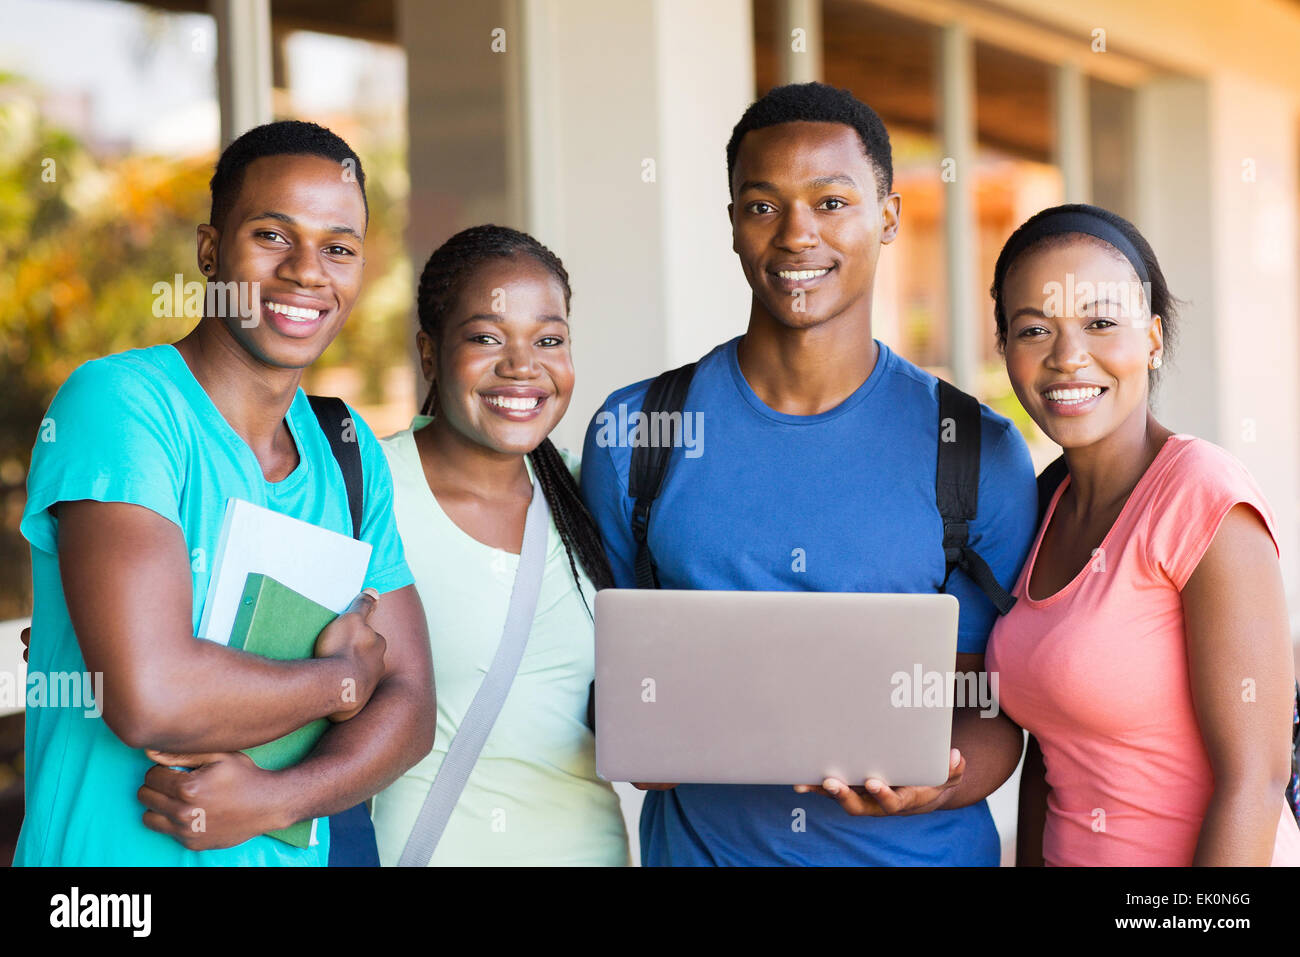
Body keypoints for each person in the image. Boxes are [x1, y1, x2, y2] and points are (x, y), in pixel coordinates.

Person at [579, 82, 1037, 866]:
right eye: (763, 206)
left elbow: (989, 707)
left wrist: (943, 782)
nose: (797, 235)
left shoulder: (972, 449)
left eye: (832, 202)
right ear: (733, 226)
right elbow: (601, 678)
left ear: (888, 217)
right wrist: (631, 729)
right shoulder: (635, 435)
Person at [15, 120, 434, 866]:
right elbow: (151, 695)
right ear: (210, 253)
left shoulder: (346, 449)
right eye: (272, 236)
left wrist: (277, 799)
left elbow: (411, 708)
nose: (308, 271)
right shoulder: (121, 407)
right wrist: (342, 679)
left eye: (338, 248)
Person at [983, 203, 1300, 866]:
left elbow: (1256, 780)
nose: (1069, 358)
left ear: (1153, 337)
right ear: (1005, 347)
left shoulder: (1201, 494)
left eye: (1101, 322)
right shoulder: (1040, 504)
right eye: (1035, 329)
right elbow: (1049, 754)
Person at [368, 225, 629, 866]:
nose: (522, 365)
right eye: (487, 338)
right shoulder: (366, 491)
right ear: (429, 354)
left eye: (549, 340)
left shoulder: (595, 491)